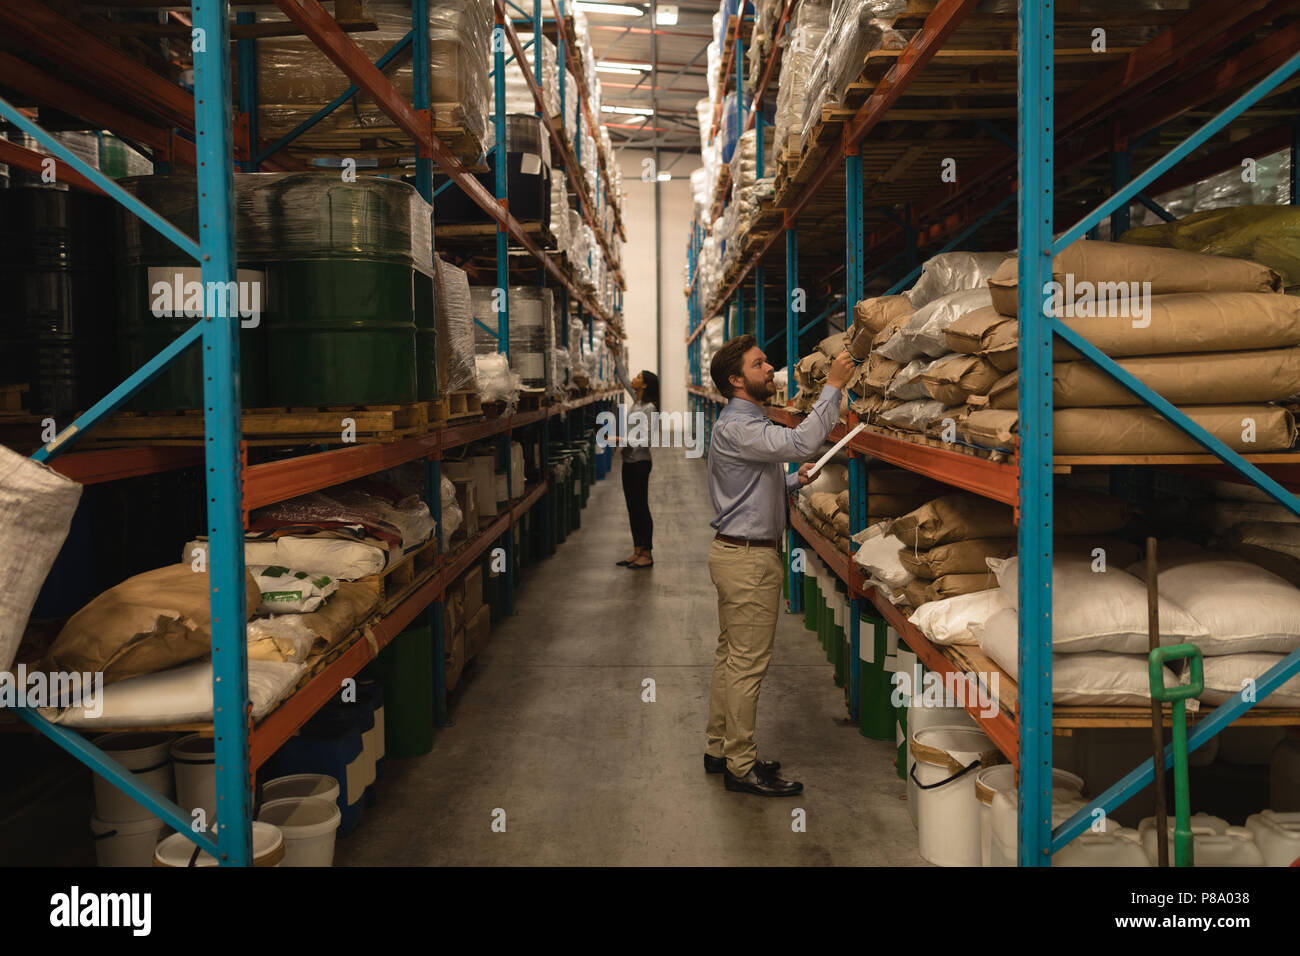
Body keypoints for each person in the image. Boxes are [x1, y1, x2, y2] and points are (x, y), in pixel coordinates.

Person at [704, 333, 853, 796]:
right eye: (759, 364)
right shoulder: (741, 426)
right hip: (747, 560)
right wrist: (832, 386)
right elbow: (805, 440)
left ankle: (721, 749)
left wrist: (789, 481)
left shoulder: (745, 423)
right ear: (736, 380)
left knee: (731, 658)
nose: (770, 369)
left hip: (738, 553)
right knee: (748, 665)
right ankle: (741, 768)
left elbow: (750, 484)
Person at [614, 359, 659, 570]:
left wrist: (620, 440)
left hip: (640, 463)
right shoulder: (637, 402)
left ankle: (647, 553)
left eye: (638, 377)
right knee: (632, 507)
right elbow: (623, 377)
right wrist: (615, 354)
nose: (633, 378)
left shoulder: (650, 409)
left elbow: (646, 440)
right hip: (628, 461)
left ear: (645, 385)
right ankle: (637, 550)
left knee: (641, 506)